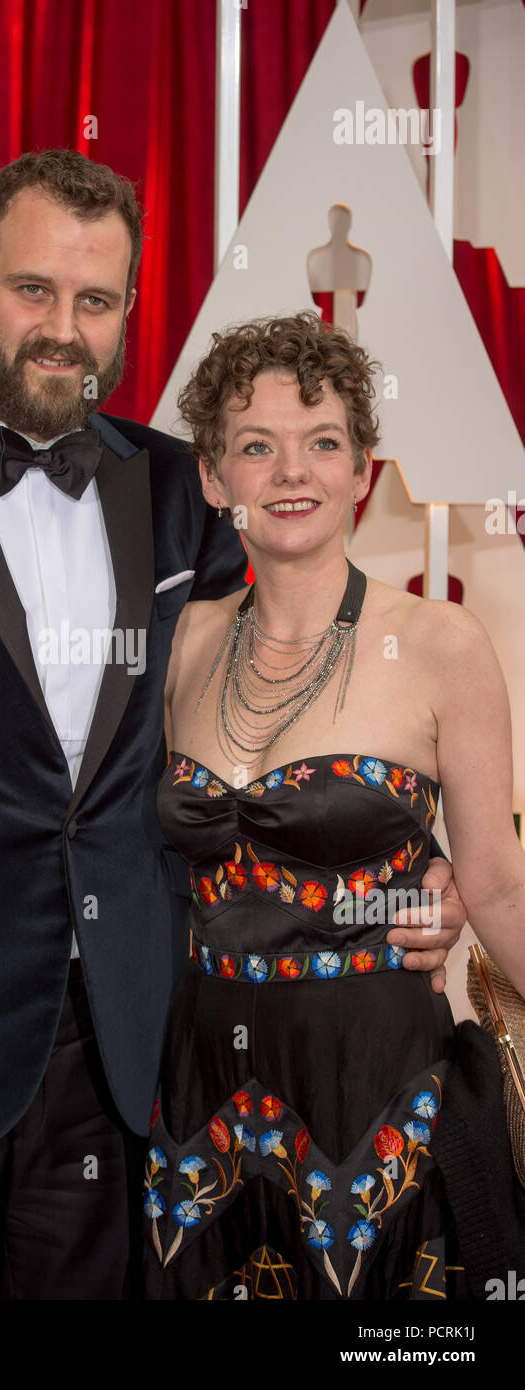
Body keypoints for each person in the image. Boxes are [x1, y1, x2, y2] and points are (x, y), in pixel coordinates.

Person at [0, 152, 464, 1302]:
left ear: (126, 313)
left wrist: (423, 869)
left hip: (126, 1046)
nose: (63, 329)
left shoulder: (185, 489)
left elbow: (294, 699)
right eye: (33, 290)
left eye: (97, 300)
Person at [143, 312, 525, 1301]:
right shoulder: (178, 641)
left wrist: (436, 893)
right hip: (198, 1088)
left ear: (364, 469)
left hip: (373, 1085)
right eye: (254, 446)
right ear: (212, 477)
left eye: (321, 442)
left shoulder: (440, 644)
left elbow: (497, 885)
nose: (289, 472)